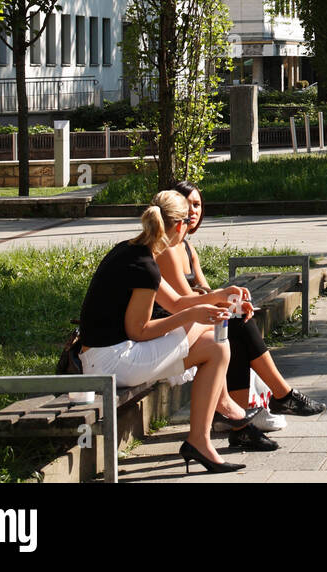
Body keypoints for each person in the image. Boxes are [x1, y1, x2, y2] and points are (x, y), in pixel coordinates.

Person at [77, 190, 262, 473]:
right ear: (179, 225)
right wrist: (196, 315)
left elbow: (175, 302)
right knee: (212, 340)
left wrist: (221, 296)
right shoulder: (146, 265)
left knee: (216, 344)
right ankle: (207, 431)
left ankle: (201, 439)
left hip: (104, 356)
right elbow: (138, 331)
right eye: (188, 222)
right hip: (111, 362)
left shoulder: (132, 250)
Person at [161, 181, 327, 436]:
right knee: (234, 323)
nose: (193, 211)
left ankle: (239, 418)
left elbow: (205, 292)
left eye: (197, 205)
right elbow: (185, 302)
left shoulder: (187, 248)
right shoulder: (168, 250)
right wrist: (223, 303)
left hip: (190, 322)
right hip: (168, 330)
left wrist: (231, 302)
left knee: (234, 321)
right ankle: (280, 396)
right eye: (187, 205)